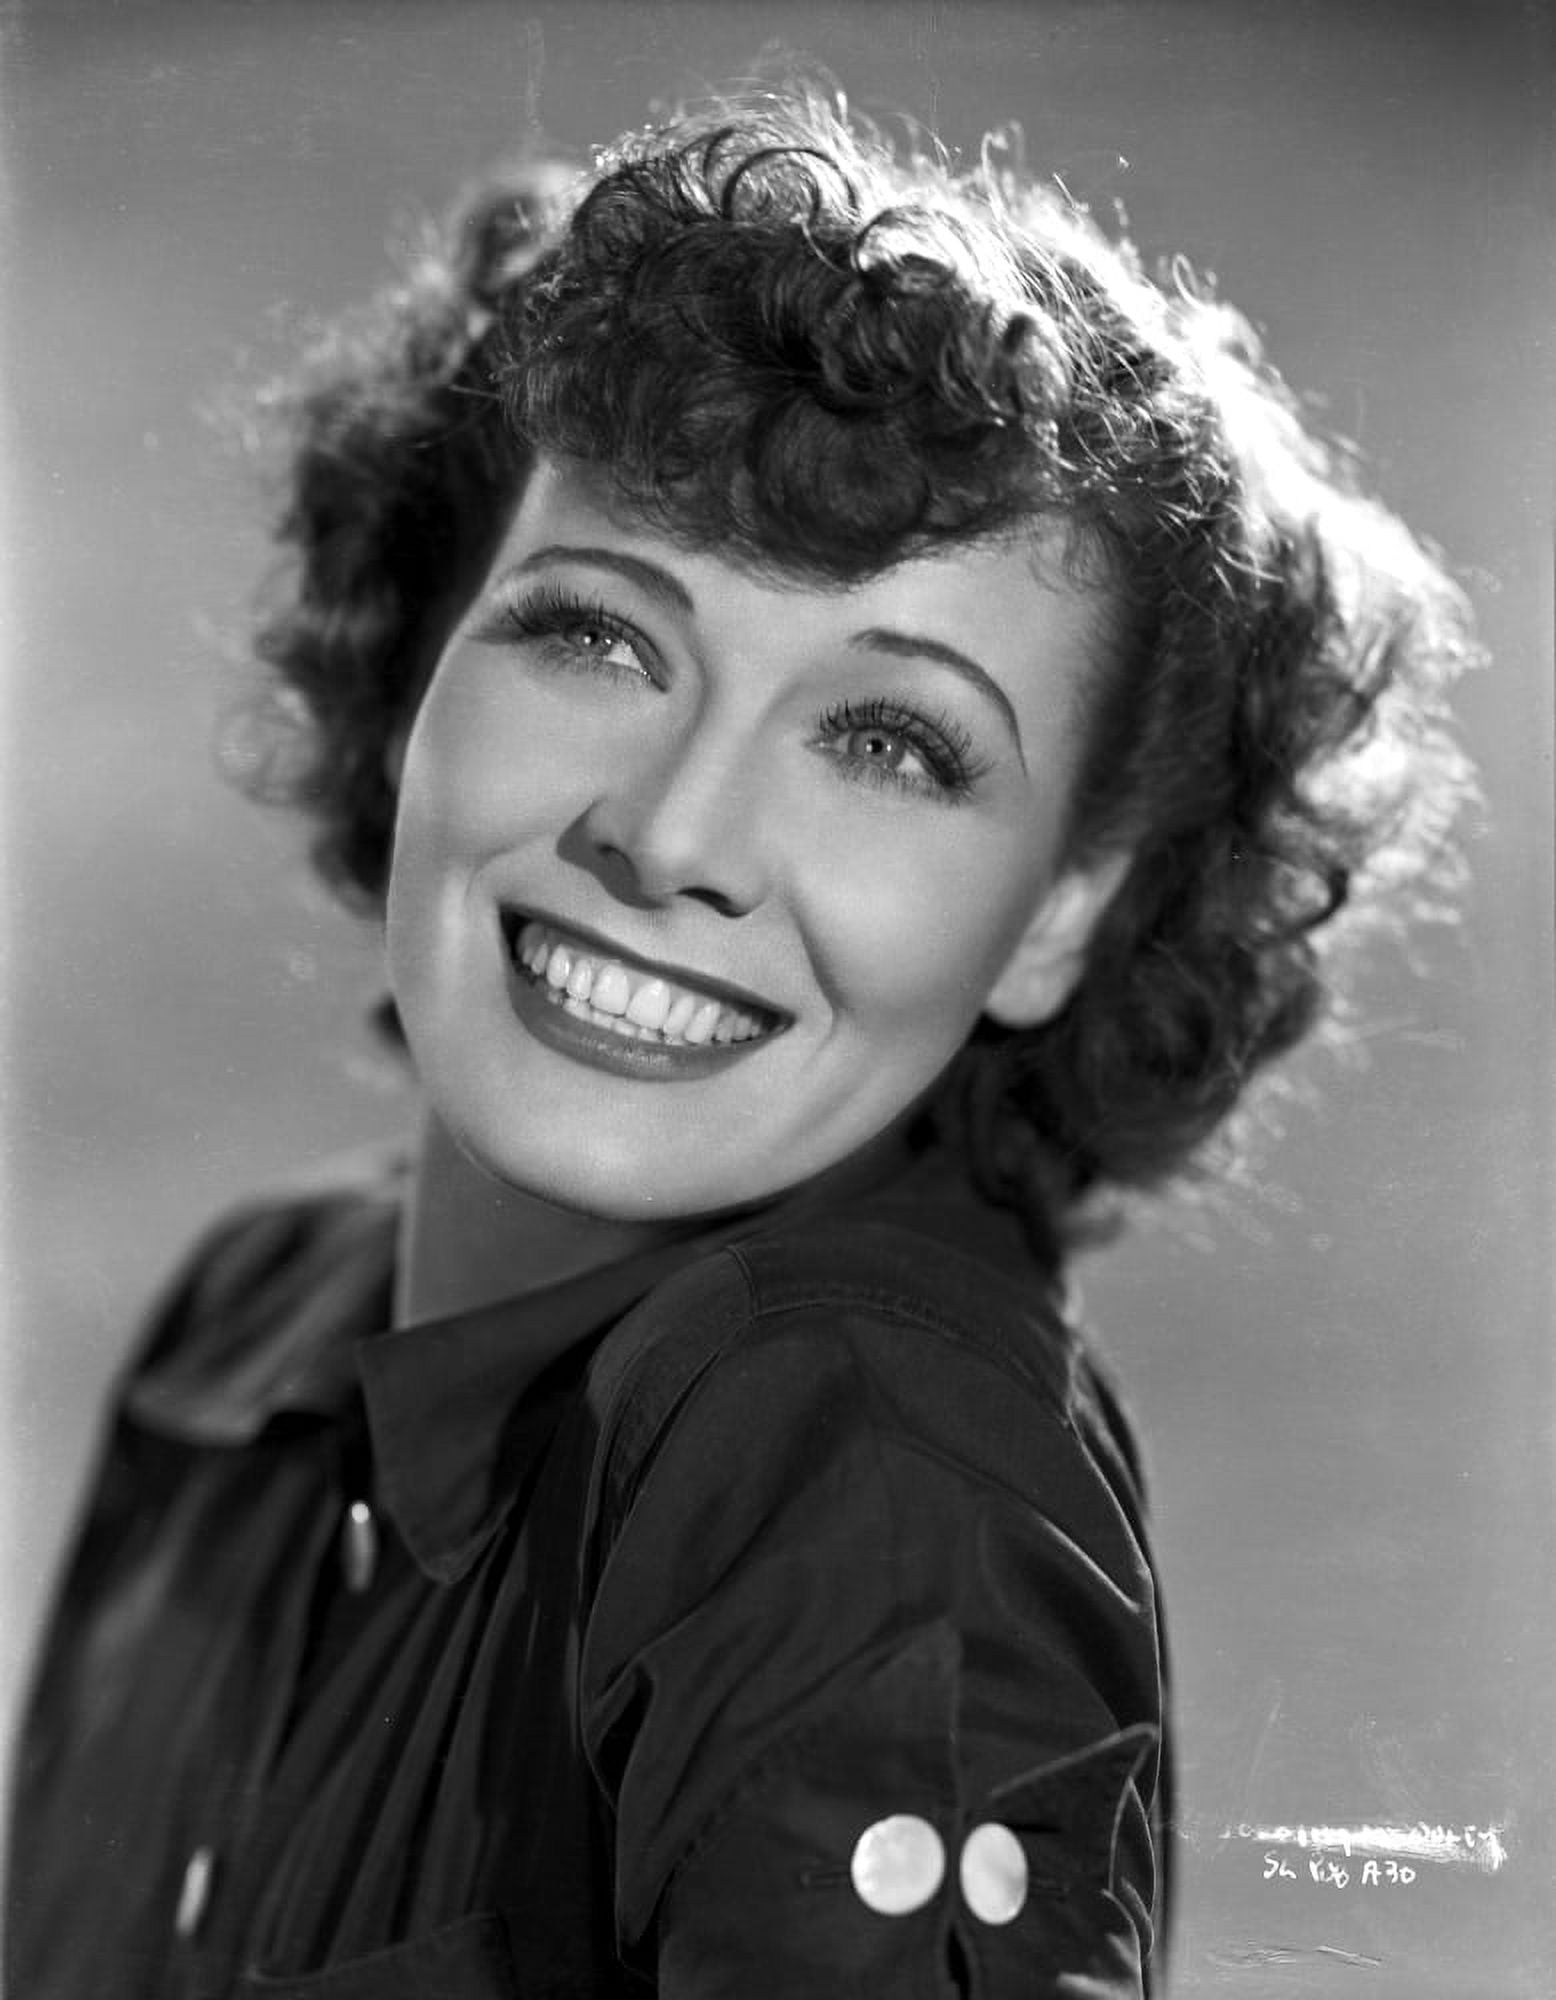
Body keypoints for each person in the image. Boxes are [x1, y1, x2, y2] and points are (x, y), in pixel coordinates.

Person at [6, 86, 1473, 1999]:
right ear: (422, 659)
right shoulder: (246, 1332)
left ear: (1063, 909)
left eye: (890, 743)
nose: (674, 835)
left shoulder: (858, 1454)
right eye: (596, 637)